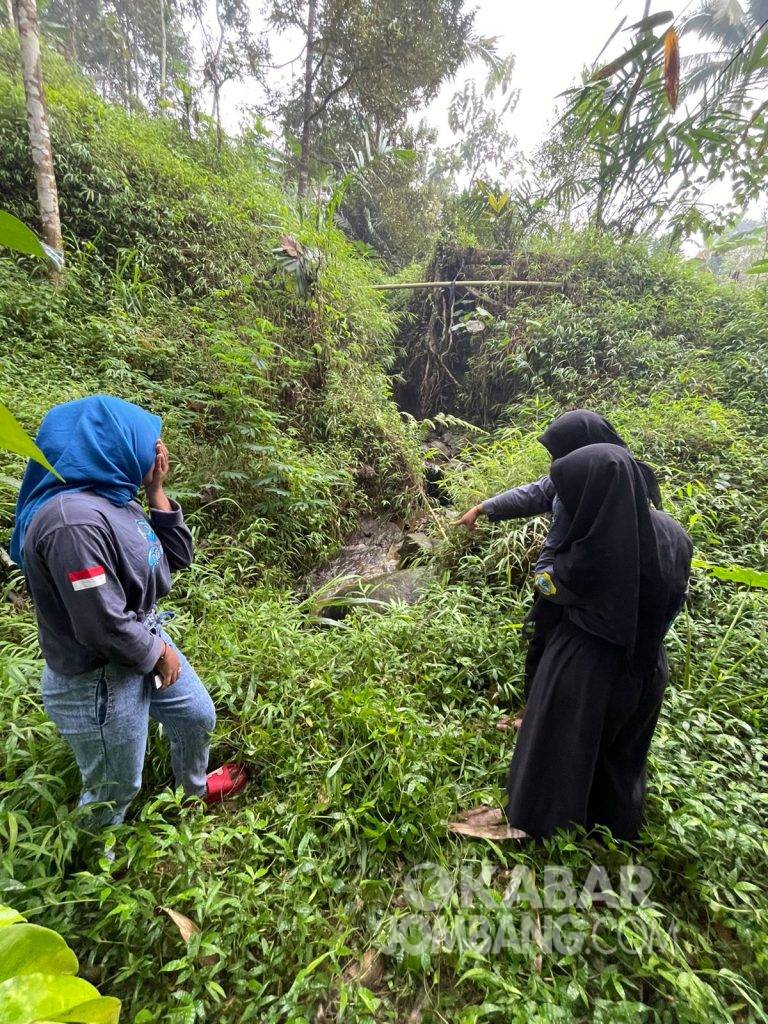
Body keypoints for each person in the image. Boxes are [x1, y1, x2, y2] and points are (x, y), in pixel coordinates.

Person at [9, 395, 247, 827]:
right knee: (114, 788)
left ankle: (191, 794)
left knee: (197, 716)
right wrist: (157, 653)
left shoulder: (114, 497)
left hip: (141, 641)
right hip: (98, 677)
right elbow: (101, 622)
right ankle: (98, 869)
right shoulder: (72, 522)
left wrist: (156, 491)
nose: (156, 450)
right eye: (146, 441)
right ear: (109, 443)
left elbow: (173, 560)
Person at [504, 443, 692, 840]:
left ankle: (551, 831)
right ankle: (615, 830)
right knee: (622, 755)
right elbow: (674, 601)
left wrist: (551, 550)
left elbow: (548, 585)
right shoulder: (673, 532)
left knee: (563, 747)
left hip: (587, 664)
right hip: (647, 664)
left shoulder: (592, 547)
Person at [454, 410, 663, 727]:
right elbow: (537, 492)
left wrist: (554, 576)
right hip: (560, 582)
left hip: (586, 592)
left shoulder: (613, 484)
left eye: (559, 454)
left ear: (583, 446)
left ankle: (552, 722)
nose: (555, 464)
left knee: (570, 661)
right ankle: (535, 715)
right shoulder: (576, 476)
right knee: (542, 648)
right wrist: (484, 508)